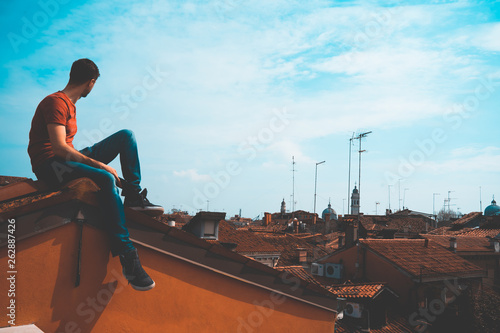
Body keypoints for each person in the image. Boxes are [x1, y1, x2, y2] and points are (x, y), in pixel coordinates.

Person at [27, 58, 163, 291]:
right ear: (91, 82)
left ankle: (132, 195)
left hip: (63, 160)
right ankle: (128, 258)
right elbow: (59, 149)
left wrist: (96, 161)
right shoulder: (56, 102)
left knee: (126, 136)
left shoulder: (70, 104)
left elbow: (66, 150)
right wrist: (100, 165)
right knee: (106, 178)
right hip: (51, 166)